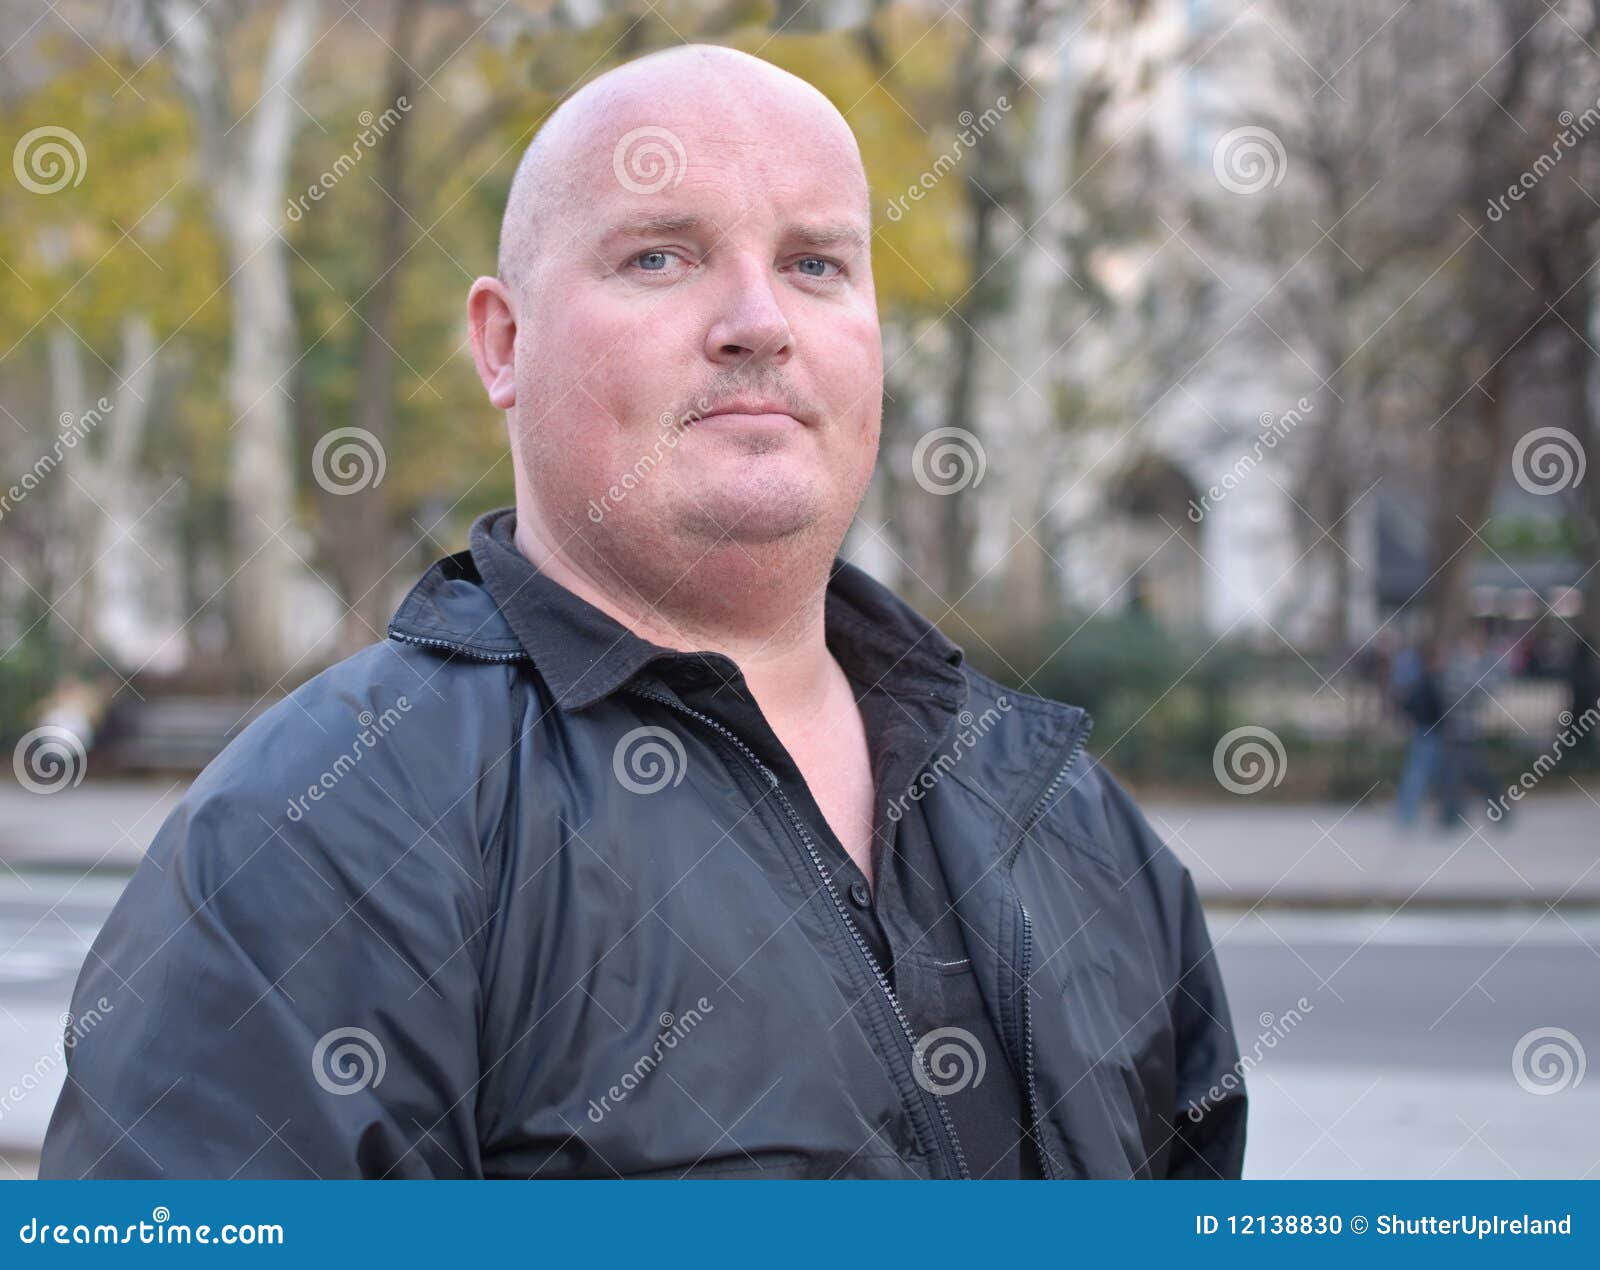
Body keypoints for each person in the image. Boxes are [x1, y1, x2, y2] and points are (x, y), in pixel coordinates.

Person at [40, 45, 1244, 1180]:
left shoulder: (1071, 820)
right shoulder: (320, 839)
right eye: (660, 258)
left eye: (816, 263)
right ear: (502, 344)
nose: (758, 321)